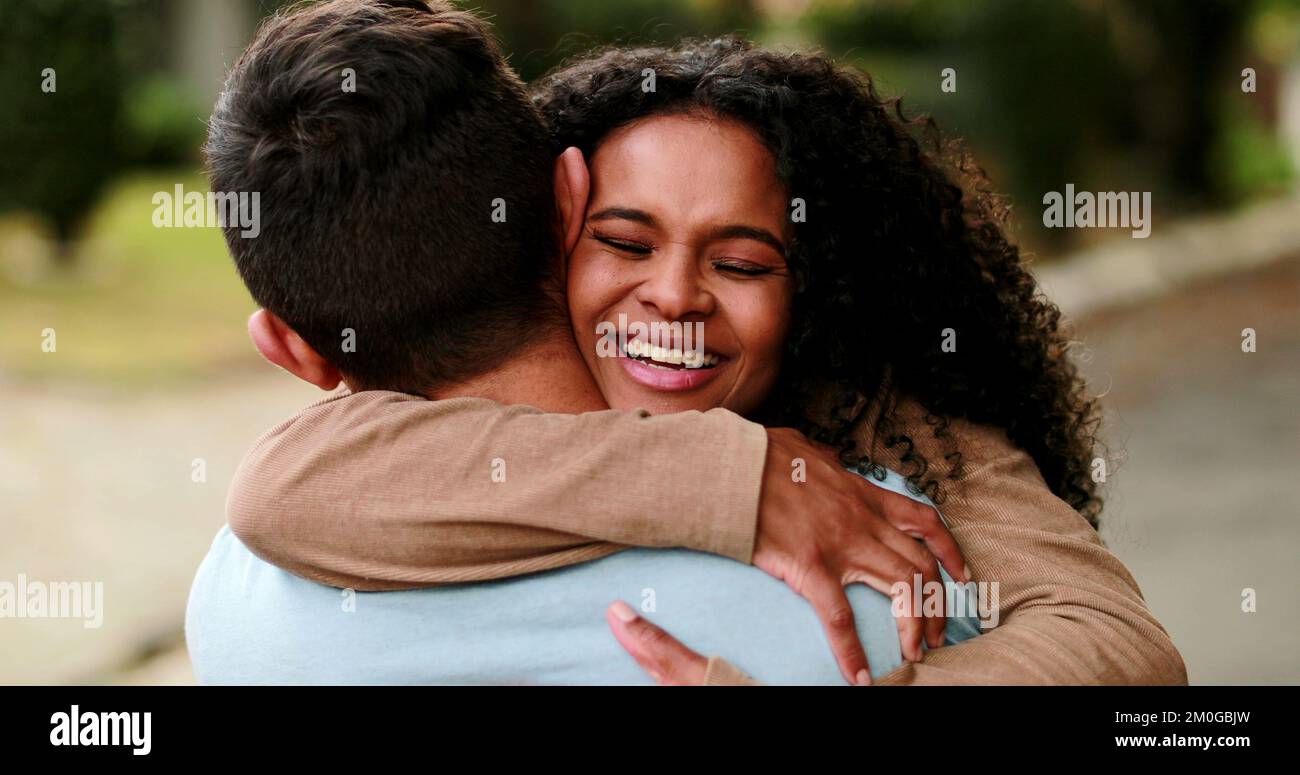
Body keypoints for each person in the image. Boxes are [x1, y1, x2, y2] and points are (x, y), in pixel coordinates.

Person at [188, 0, 975, 686]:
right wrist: (726, 477)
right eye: (632, 241)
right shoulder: (887, 579)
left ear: (295, 350)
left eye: (738, 262)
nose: (673, 295)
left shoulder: (236, 606)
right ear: (571, 202)